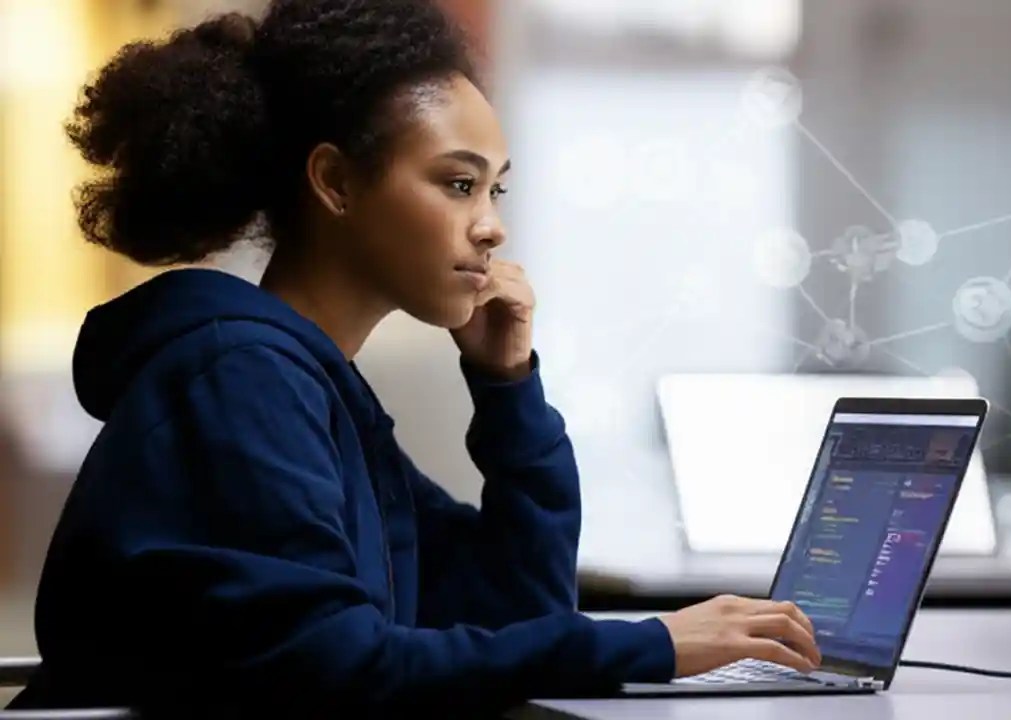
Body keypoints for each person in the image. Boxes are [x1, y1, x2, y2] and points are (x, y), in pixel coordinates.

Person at [8, 1, 821, 716]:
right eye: (457, 184)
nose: (492, 225)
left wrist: (507, 391)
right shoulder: (241, 380)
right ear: (334, 182)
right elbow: (338, 668)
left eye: (496, 189)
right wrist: (650, 646)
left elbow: (520, 612)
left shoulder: (314, 387)